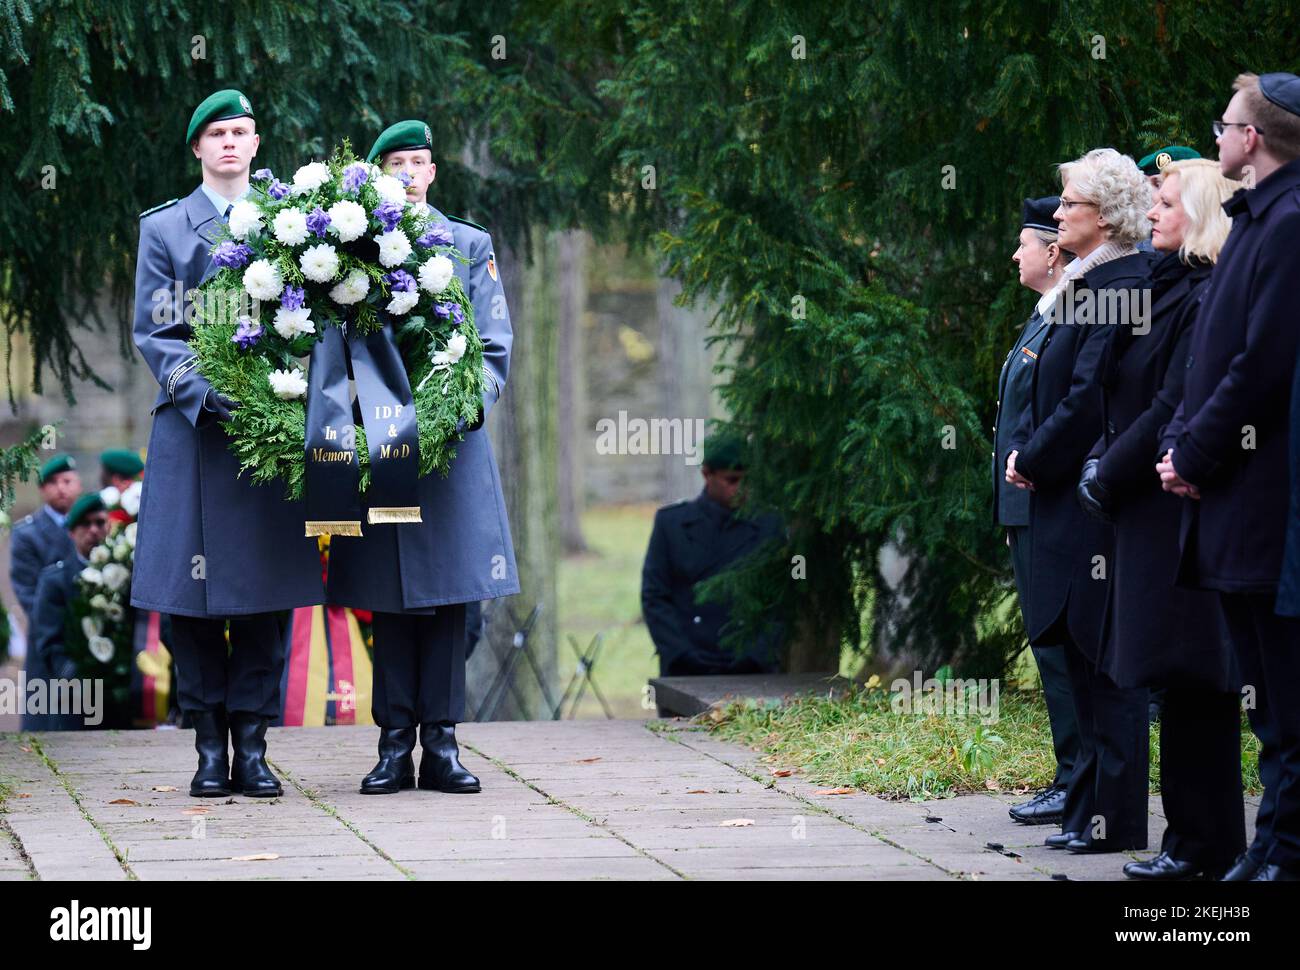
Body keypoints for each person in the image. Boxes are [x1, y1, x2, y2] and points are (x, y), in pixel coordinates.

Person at [130, 89, 325, 798]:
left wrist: (292, 389)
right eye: (217, 133)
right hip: (194, 433)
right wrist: (204, 391)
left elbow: (313, 318)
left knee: (265, 595)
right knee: (190, 599)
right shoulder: (166, 229)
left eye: (242, 131)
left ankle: (254, 742)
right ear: (197, 148)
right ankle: (209, 745)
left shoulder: (291, 225)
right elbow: (154, 331)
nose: (231, 143)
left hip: (269, 432)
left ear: (257, 141)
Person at [326, 119, 519, 796]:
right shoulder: (354, 256)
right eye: (397, 164)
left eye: (419, 161)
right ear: (379, 177)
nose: (410, 172)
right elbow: (335, 353)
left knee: (445, 600)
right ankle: (390, 744)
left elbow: (493, 344)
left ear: (434, 172)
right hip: (381, 451)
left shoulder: (467, 245)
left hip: (451, 450)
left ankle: (442, 743)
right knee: (389, 596)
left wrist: (467, 407)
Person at [1079, 159, 1245, 879]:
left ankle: (1203, 845)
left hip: (1171, 512)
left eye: (1168, 204)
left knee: (1197, 684)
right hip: (1145, 513)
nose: (1152, 212)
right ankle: (1188, 840)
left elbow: (1169, 406)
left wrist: (1105, 475)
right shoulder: (1163, 284)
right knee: (1176, 685)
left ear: (1202, 215)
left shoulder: (1202, 295)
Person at [1159, 72, 1300, 881]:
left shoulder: (1288, 223)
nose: (1217, 138)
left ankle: (1285, 850)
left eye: (1224, 125)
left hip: (1261, 493)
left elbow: (1261, 363)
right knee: (1265, 693)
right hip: (1226, 487)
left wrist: (1196, 452)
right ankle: (1271, 848)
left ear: (1252, 139)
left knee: (1283, 694)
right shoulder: (1256, 220)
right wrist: (1181, 443)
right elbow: (1206, 361)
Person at [1006, 148, 1153, 853]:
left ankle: (1109, 819)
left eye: (1070, 204)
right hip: (1063, 496)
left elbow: (1086, 395)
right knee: (1083, 662)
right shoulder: (1088, 281)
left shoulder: (1120, 281)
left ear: (1106, 216)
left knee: (1103, 666)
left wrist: (1032, 460)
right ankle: (1085, 812)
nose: (1057, 213)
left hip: (1088, 500)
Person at [997, 197, 1080, 826]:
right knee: (1048, 644)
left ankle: (1077, 778)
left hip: (1047, 503)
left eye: (1024, 243)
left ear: (1053, 251)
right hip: (1024, 506)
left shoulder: (1068, 318)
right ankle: (1072, 773)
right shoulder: (1042, 318)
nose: (1015, 254)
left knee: (1060, 646)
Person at [641, 434, 784, 678]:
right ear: (707, 475)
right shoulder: (671, 524)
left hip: (752, 669)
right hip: (686, 667)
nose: (742, 488)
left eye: (748, 480)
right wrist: (681, 653)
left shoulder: (770, 525)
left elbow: (782, 599)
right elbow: (654, 595)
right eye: (732, 480)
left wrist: (756, 654)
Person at [22, 493, 109, 731]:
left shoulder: (122, 576)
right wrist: (78, 683)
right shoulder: (55, 581)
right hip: (75, 699)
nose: (93, 530)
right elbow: (50, 643)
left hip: (119, 696)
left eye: (100, 523)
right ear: (72, 532)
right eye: (85, 524)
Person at [9, 454, 81, 621]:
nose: (61, 488)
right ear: (42, 490)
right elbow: (28, 595)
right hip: (50, 632)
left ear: (79, 486)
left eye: (67, 481)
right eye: (52, 482)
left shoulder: (92, 526)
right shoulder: (26, 534)